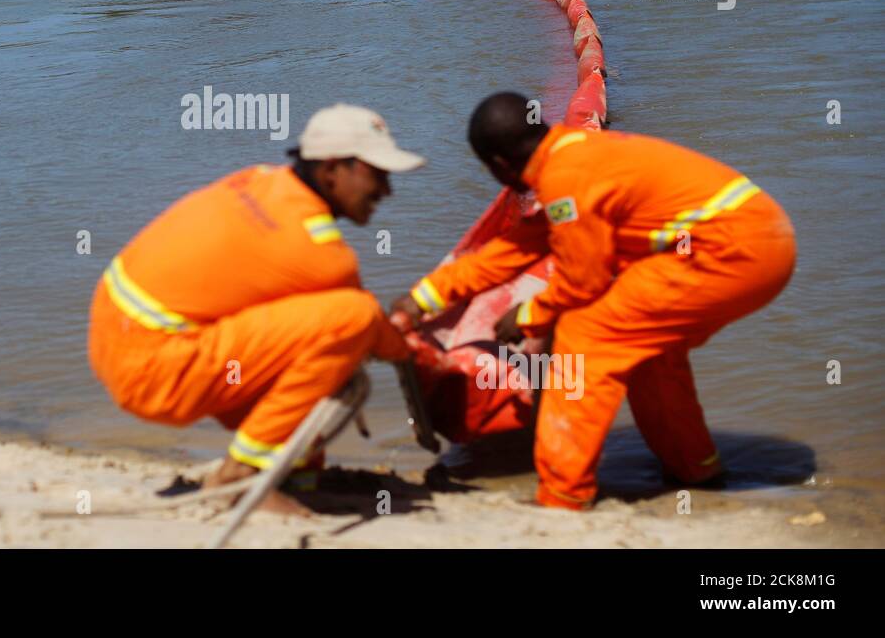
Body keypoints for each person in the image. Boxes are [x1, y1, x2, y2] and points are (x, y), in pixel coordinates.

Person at [392, 92, 797, 510]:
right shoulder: (572, 158)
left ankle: (563, 494)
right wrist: (423, 299)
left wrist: (531, 314)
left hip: (731, 251)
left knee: (585, 335)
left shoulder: (566, 178)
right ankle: (696, 470)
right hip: (762, 241)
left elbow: (583, 280)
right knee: (650, 353)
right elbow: (516, 248)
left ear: (498, 165)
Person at [89, 104, 421, 513]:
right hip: (154, 372)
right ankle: (240, 478)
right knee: (352, 319)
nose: (386, 191)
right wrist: (413, 342)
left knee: (313, 346)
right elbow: (376, 335)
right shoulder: (321, 254)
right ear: (334, 168)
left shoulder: (258, 179)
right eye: (378, 174)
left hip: (112, 333)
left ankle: (294, 479)